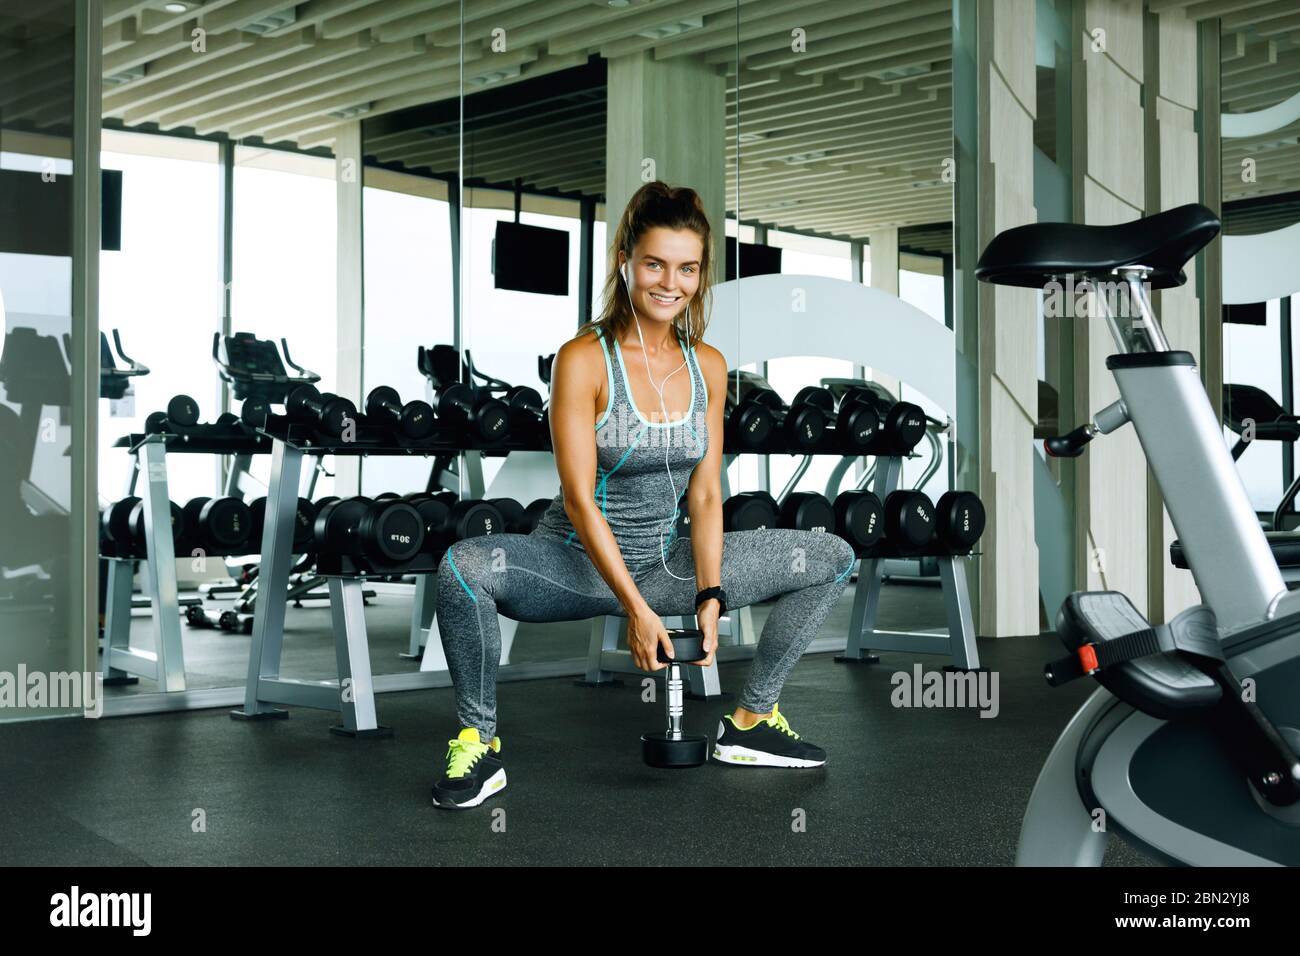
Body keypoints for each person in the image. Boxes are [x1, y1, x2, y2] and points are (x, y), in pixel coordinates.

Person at [431, 181, 857, 809]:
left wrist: (709, 594)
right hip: (570, 566)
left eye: (687, 268)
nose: (670, 283)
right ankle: (478, 741)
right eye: (655, 264)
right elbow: (578, 497)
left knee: (831, 557)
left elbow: (707, 494)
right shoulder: (583, 360)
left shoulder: (706, 364)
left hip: (661, 564)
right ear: (626, 261)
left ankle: (751, 723)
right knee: (461, 569)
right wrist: (635, 610)